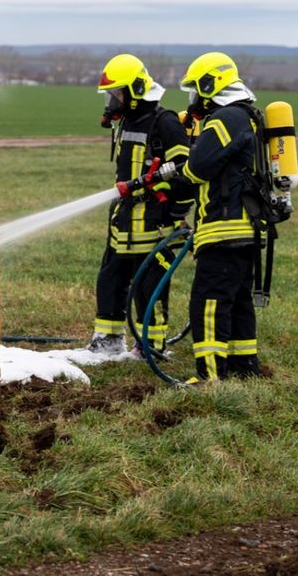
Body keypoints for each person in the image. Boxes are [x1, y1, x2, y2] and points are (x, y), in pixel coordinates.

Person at [87, 54, 193, 355]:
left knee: (149, 285)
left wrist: (168, 205)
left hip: (153, 223)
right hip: (123, 220)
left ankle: (150, 346)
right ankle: (107, 341)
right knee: (111, 279)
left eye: (117, 93)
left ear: (134, 92)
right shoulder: (129, 121)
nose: (113, 100)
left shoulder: (165, 122)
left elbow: (185, 168)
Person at [176, 51, 264, 381]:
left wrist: (184, 165)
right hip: (246, 226)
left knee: (209, 301)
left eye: (196, 89)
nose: (194, 98)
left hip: (224, 227)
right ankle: (245, 370)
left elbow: (199, 168)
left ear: (211, 84)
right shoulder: (247, 116)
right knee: (238, 300)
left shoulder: (225, 119)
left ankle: (211, 376)